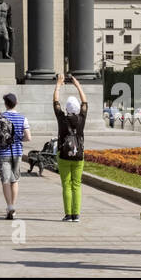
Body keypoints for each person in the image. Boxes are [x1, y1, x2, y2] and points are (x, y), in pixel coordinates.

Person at [53, 74, 87, 222]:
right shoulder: (81, 118)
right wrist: (77, 84)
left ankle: (68, 214)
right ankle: (76, 214)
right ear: (78, 108)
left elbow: (55, 102)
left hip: (63, 155)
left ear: (66, 108)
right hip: (79, 155)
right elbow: (85, 102)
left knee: (66, 184)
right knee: (77, 185)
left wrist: (58, 85)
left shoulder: (62, 118)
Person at [0, 92, 31, 220]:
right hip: (17, 153)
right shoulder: (22, 118)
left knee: (5, 180)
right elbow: (28, 137)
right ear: (16, 103)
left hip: (2, 153)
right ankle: (13, 206)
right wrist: (17, 139)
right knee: (15, 180)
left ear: (5, 104)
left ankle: (9, 206)